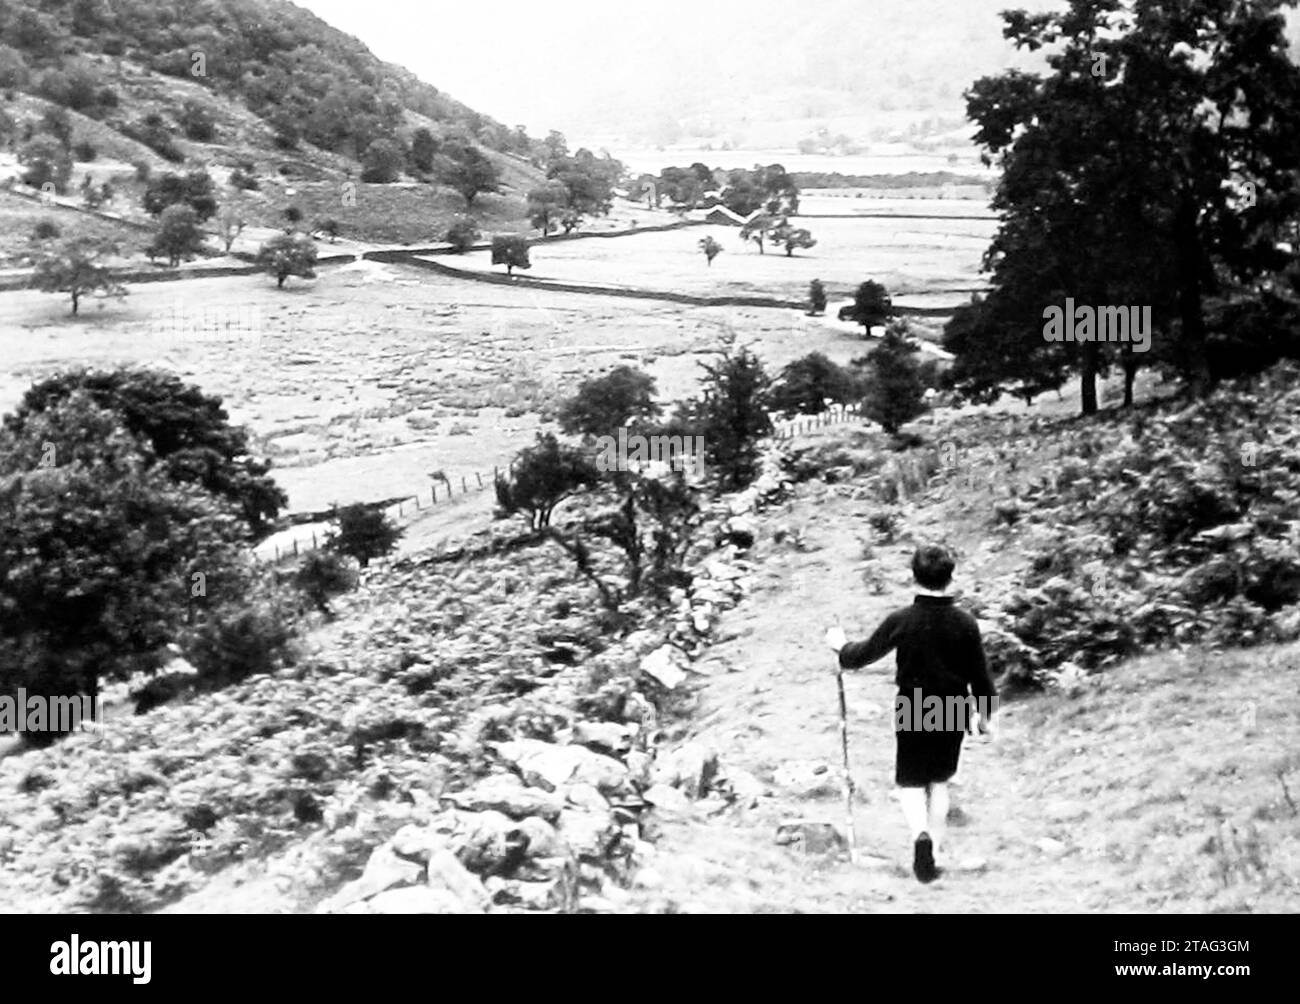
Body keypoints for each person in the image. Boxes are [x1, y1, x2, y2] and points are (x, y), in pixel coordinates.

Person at [825, 544, 997, 883]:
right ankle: (934, 853)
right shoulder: (965, 622)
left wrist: (839, 644)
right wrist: (984, 715)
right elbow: (981, 675)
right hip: (953, 706)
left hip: (915, 704)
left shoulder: (902, 620)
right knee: (940, 780)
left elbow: (860, 656)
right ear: (952, 577)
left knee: (911, 780)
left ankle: (919, 835)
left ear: (912, 576)